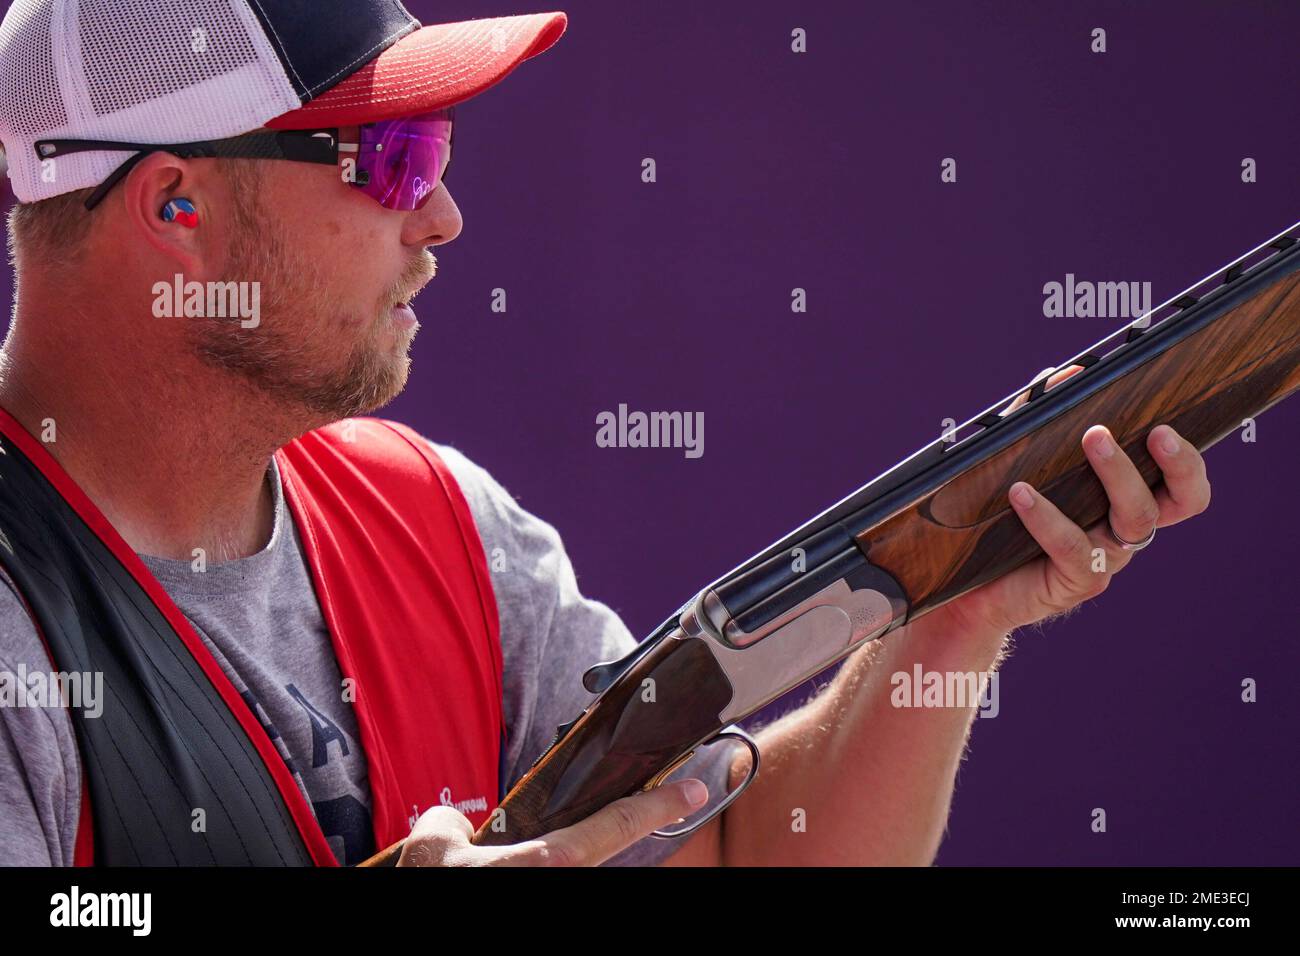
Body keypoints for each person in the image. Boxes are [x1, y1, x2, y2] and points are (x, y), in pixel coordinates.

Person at [0, 1, 1212, 868]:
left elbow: (733, 853)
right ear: (175, 205)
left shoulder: (446, 524)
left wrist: (950, 611)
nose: (442, 216)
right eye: (391, 157)